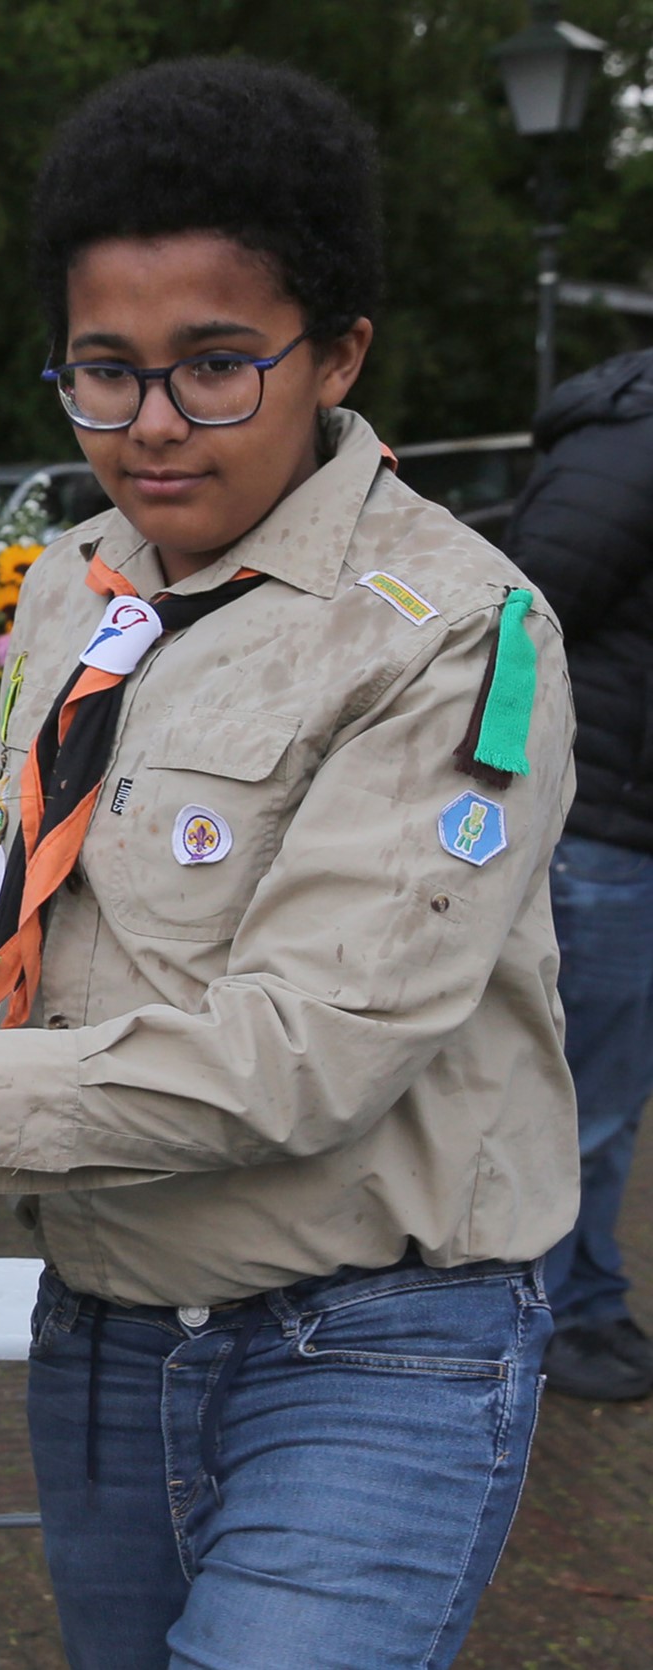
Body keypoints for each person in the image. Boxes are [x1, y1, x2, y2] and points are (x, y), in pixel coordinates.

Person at [0, 60, 577, 1667]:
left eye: (217, 369)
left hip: (375, 1343)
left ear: (338, 356)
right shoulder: (77, 585)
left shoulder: (459, 634)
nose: (155, 430)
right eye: (104, 373)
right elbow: (33, 930)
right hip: (108, 1332)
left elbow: (300, 1055)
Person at [505, 346, 653, 1401]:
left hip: (624, 820)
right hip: (598, 821)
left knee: (608, 1090)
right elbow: (519, 617)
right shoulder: (629, 448)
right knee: (578, 1098)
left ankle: (586, 1292)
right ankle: (543, 1316)